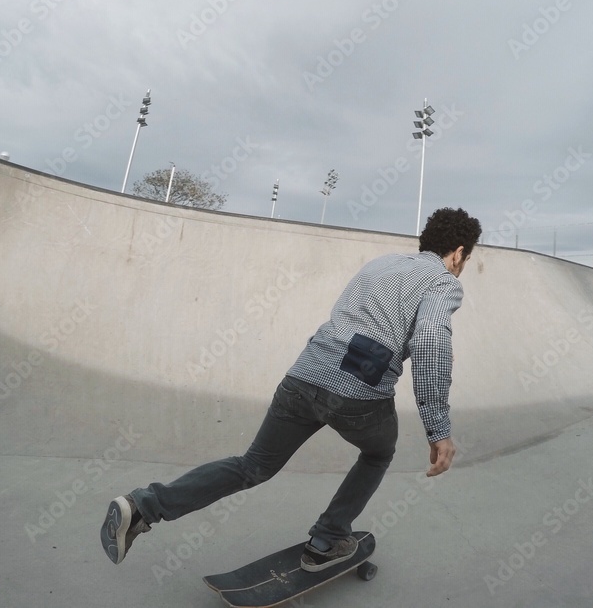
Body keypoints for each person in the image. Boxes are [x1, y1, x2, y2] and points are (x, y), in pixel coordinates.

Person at [101, 207, 481, 572]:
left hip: (305, 374)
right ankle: (328, 539)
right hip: (357, 394)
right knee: (378, 453)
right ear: (458, 253)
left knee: (252, 466)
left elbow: (347, 320)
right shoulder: (442, 281)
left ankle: (143, 507)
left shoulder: (380, 264)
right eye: (464, 261)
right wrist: (438, 428)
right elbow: (431, 338)